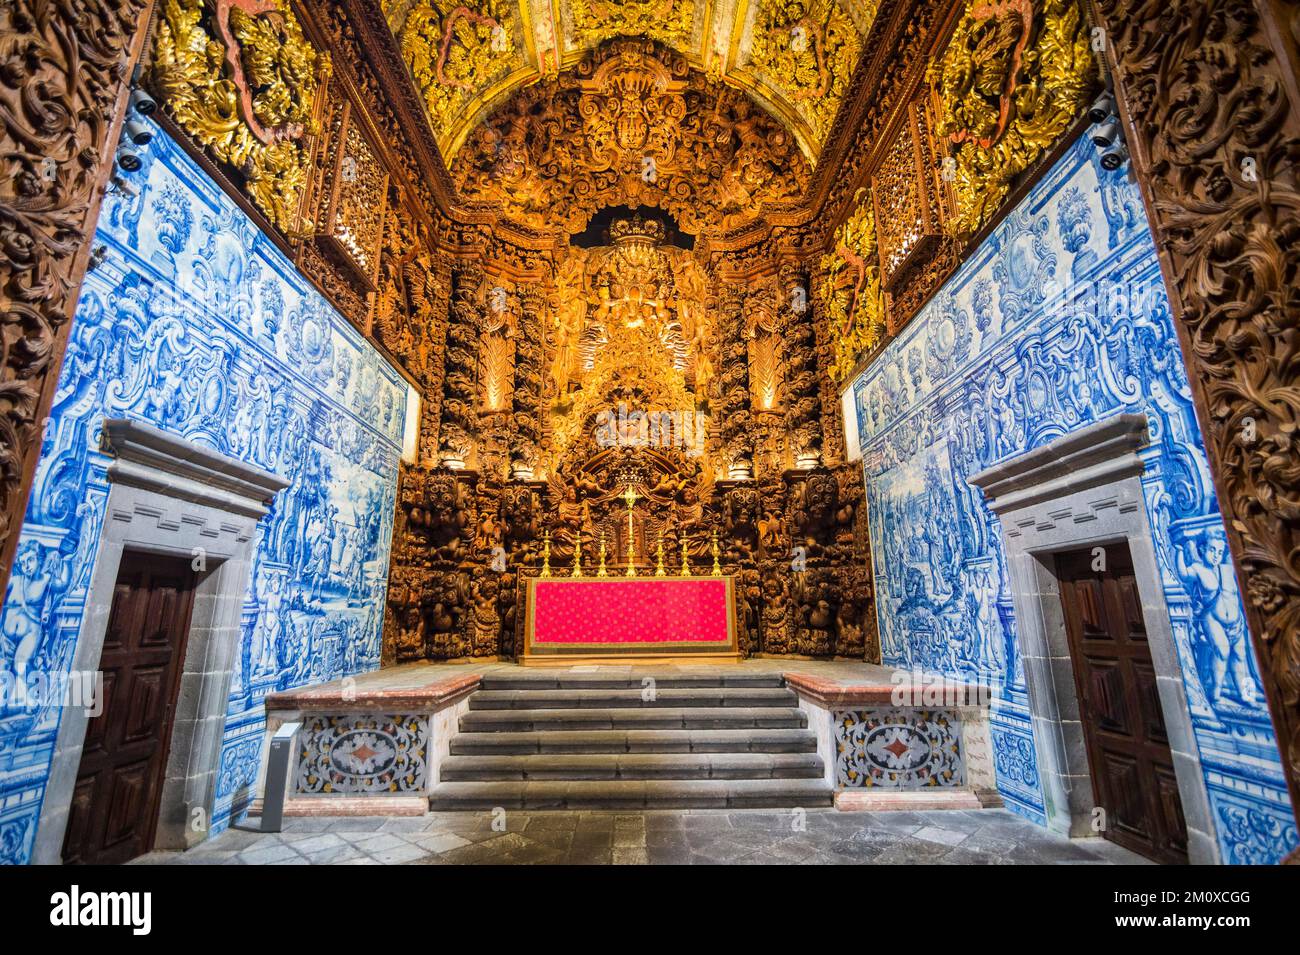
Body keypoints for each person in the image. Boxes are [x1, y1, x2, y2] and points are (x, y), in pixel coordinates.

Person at [1176, 530, 1255, 706]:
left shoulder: (1228, 569)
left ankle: (1247, 695)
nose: (1216, 556)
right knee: (1223, 652)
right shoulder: (1198, 569)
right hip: (1212, 619)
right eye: (1212, 550)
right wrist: (1180, 550)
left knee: (1241, 656)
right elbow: (1183, 574)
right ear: (1203, 549)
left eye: (1219, 552)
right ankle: (1216, 692)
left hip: (1237, 622)